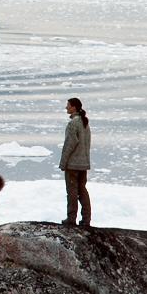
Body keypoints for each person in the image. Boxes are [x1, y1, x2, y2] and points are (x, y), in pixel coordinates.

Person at [60, 97, 92, 227]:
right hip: (83, 163)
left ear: (74, 107)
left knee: (72, 192)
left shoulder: (73, 123)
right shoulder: (85, 123)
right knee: (82, 190)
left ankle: (71, 219)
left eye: (68, 105)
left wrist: (63, 162)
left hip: (73, 164)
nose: (66, 107)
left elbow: (70, 144)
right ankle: (86, 219)